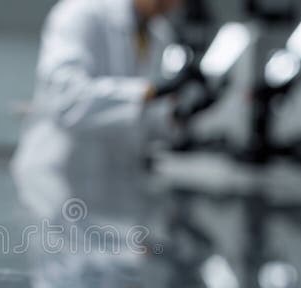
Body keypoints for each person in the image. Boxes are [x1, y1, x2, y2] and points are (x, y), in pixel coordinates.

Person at [12, 0, 186, 220]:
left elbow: (142, 117)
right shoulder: (81, 11)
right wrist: (150, 91)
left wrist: (180, 114)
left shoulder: (160, 34)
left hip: (116, 184)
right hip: (58, 181)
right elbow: (65, 100)